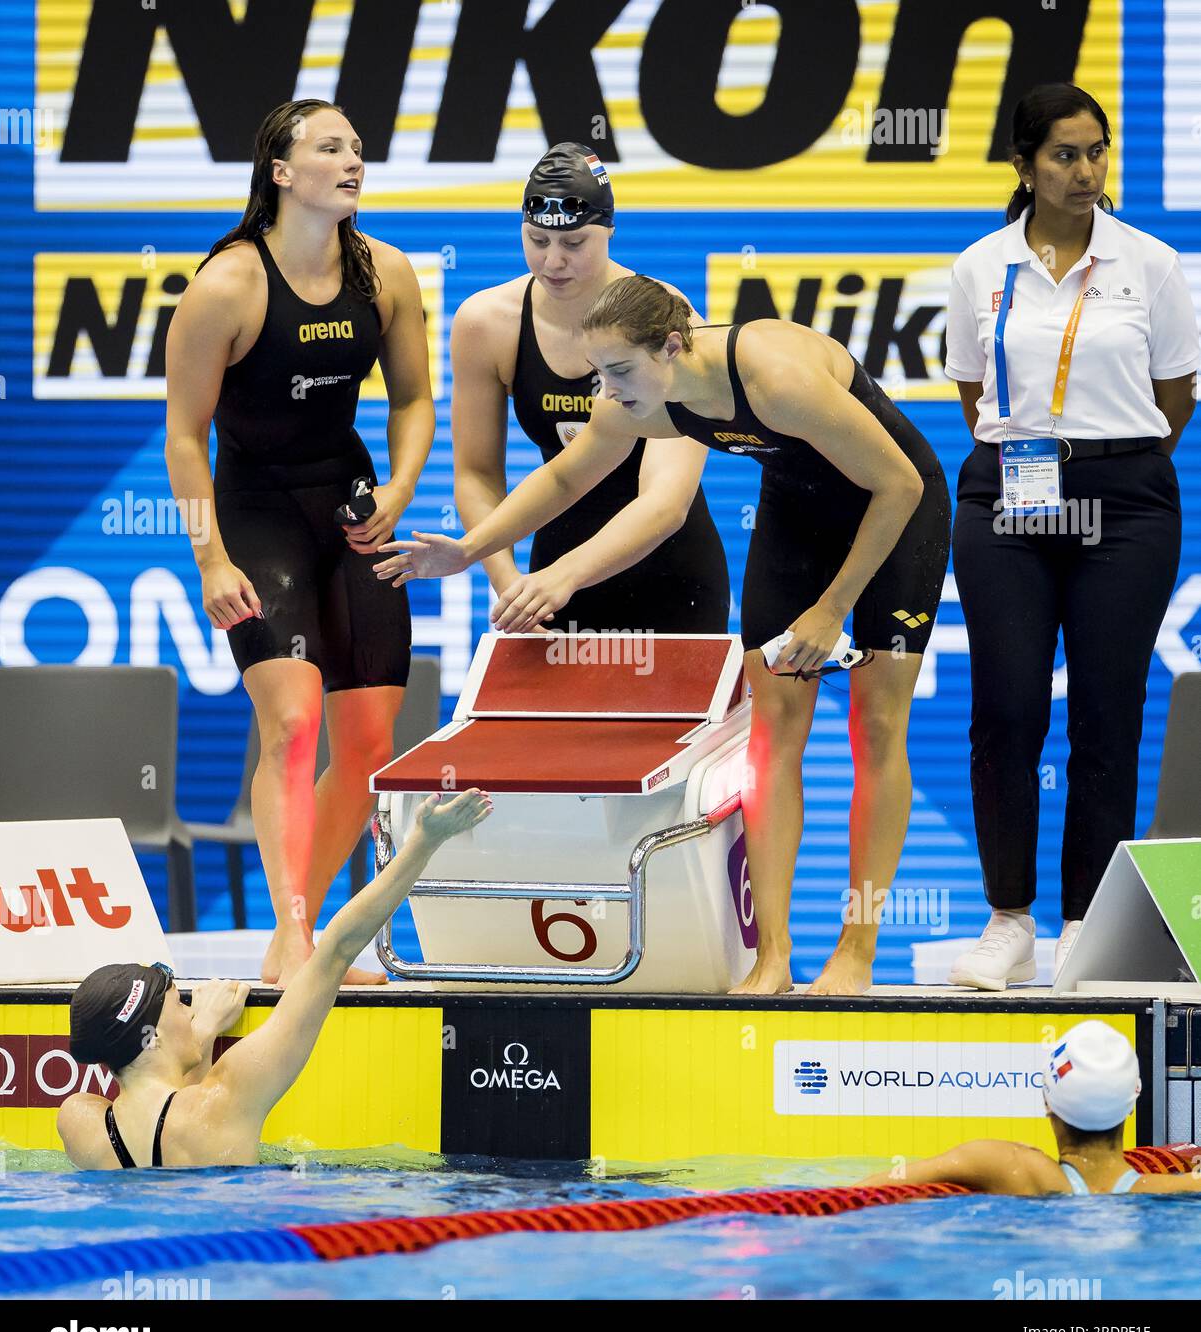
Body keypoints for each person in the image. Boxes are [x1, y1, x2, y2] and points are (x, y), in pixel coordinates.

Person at [374, 276, 951, 996]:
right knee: (773, 727)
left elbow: (901, 485)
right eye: (598, 374)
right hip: (797, 513)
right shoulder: (643, 398)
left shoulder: (774, 376)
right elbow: (565, 480)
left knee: (878, 722)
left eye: (618, 371)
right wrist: (467, 548)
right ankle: (772, 959)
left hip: (891, 514)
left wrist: (832, 610)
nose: (607, 392)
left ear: (672, 347)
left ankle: (857, 953)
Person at [166, 99, 436, 987]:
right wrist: (210, 557)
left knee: (369, 741)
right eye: (330, 148)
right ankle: (288, 936)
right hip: (255, 519)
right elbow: (184, 435)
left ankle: (305, 934)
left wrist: (397, 493)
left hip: (352, 512)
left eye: (358, 147)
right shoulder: (227, 288)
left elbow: (411, 401)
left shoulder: (387, 276)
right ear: (281, 172)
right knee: (291, 723)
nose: (352, 160)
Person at [944, 84, 1198, 992]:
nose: (1086, 172)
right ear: (1022, 164)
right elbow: (972, 395)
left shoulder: (1153, 264)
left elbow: (1176, 399)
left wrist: (1103, 462)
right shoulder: (979, 266)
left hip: (1125, 503)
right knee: (1007, 710)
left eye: (1097, 152)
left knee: (1107, 715)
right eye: (1064, 155)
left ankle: (1088, 925)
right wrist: (1040, 458)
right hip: (1008, 497)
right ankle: (1007, 922)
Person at [57, 789, 491, 1170]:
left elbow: (152, 1114)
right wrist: (422, 843)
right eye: (180, 1004)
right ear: (150, 1038)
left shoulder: (79, 1125)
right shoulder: (226, 1098)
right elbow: (337, 950)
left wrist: (200, 1036)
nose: (191, 1013)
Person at [451, 141, 729, 635]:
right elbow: (476, 474)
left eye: (574, 244)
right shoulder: (486, 323)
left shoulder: (665, 315)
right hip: (553, 568)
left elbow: (667, 502)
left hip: (669, 570)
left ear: (609, 233)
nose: (554, 261)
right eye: (537, 240)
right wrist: (511, 587)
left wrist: (562, 577)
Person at [862, 1020, 1201, 1195]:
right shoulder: (1183, 1188)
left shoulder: (1005, 1166)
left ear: (1046, 1101)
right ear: (1134, 1098)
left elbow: (867, 1191)